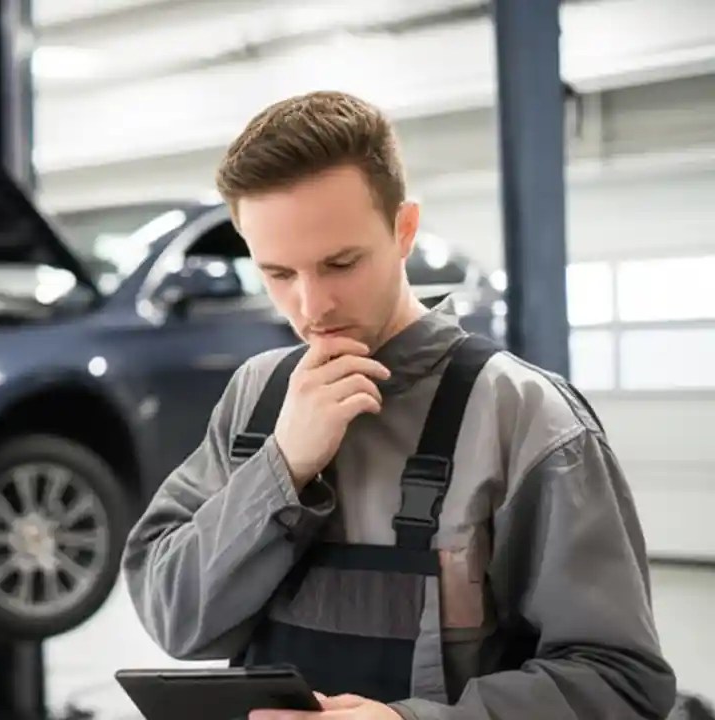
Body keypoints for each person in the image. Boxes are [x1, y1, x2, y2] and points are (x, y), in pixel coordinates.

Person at [120, 90, 677, 719]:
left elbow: (622, 683)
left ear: (404, 229)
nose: (312, 306)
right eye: (279, 274)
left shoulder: (523, 417)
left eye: (341, 263)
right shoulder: (256, 398)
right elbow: (175, 618)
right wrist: (281, 469)